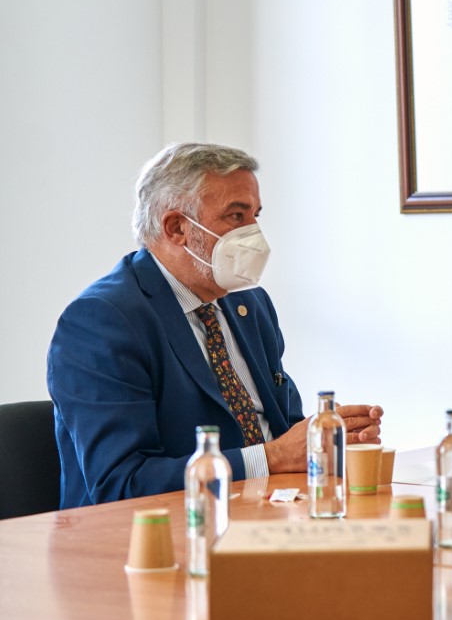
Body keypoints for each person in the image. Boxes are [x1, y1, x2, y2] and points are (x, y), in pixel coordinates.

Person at [48, 143, 383, 508]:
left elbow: (283, 430)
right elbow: (122, 484)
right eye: (236, 216)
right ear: (177, 228)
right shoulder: (102, 320)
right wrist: (275, 456)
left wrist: (328, 440)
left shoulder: (248, 302)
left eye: (256, 215)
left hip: (265, 514)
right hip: (153, 538)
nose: (255, 234)